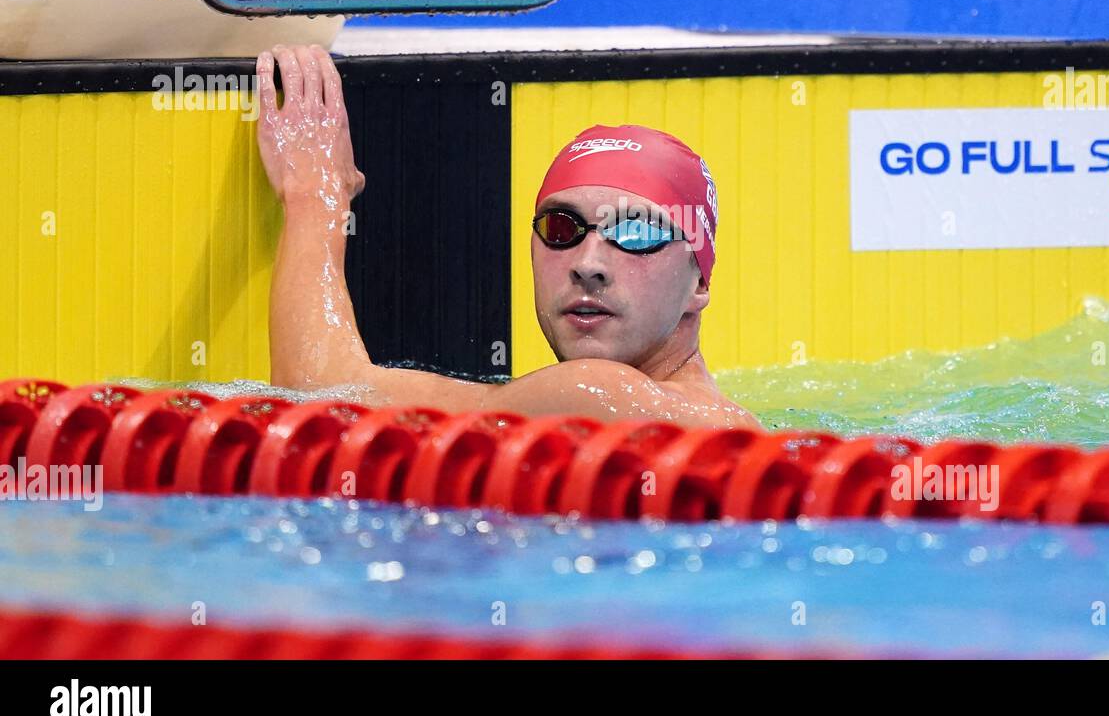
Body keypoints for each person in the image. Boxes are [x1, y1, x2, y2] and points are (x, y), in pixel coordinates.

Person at [254, 44, 762, 430]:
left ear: (700, 280)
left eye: (634, 231)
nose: (589, 262)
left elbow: (317, 394)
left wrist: (315, 194)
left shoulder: (603, 395)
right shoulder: (723, 420)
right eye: (561, 229)